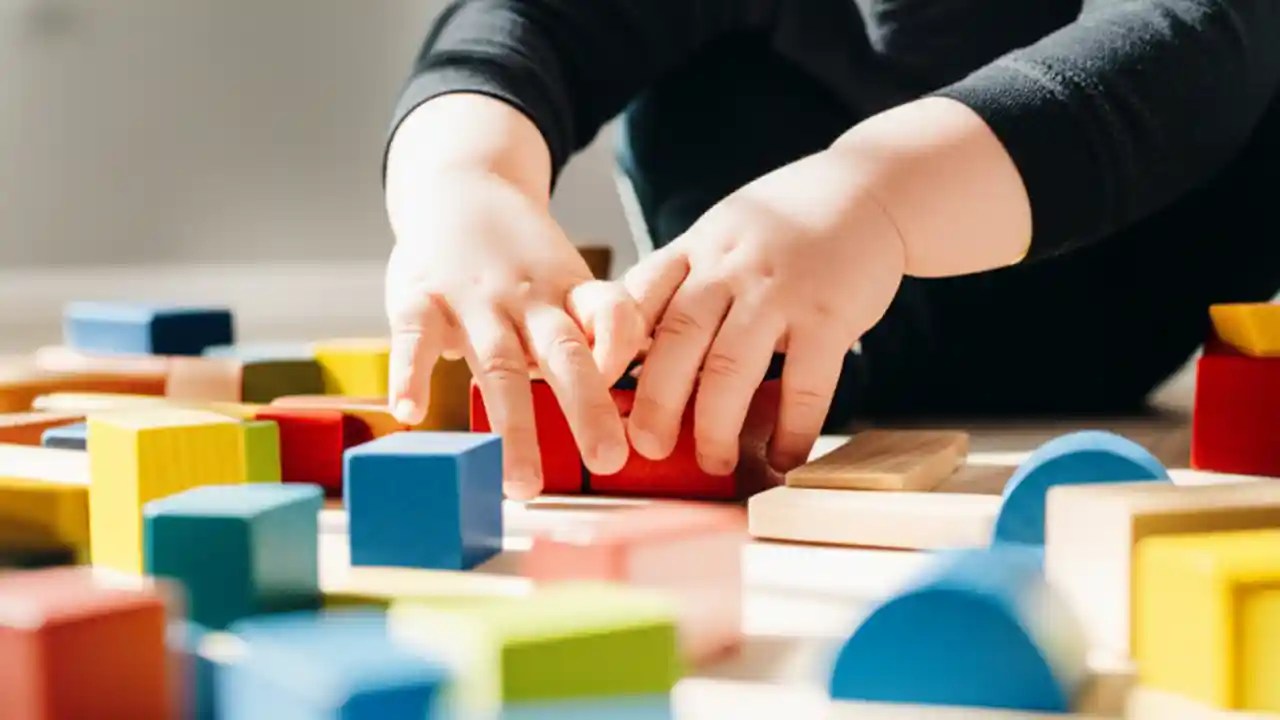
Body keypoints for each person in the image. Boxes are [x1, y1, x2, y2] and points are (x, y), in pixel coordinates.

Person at [382, 0, 1280, 499]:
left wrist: (876, 193)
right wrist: (465, 183)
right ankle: (726, 370)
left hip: (1129, 264)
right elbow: (522, 27)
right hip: (778, 277)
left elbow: (1196, 40)